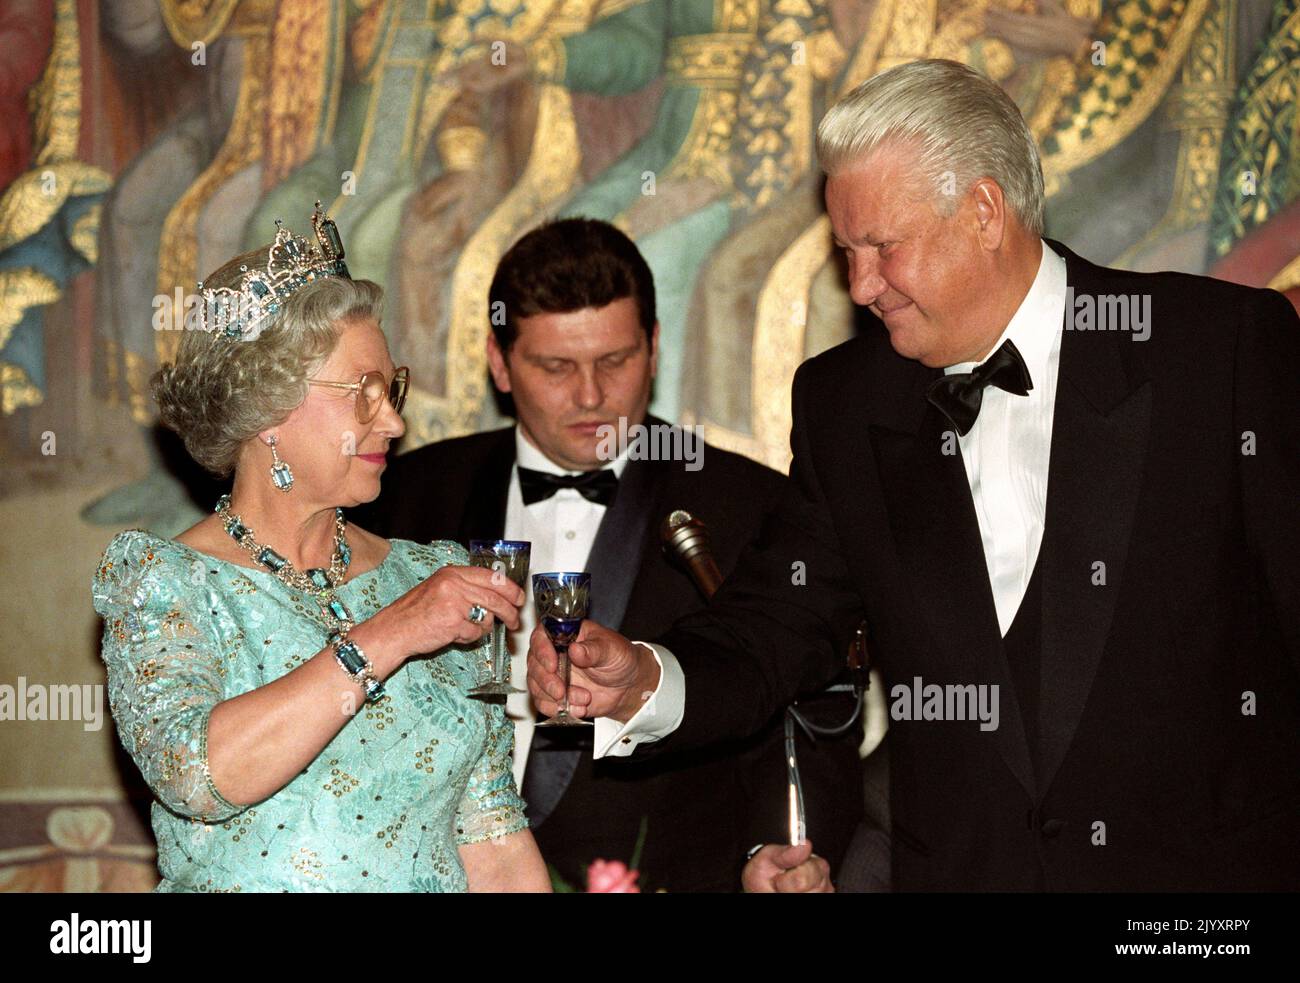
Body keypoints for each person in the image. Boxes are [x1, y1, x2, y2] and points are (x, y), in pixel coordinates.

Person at [527, 59, 1300, 891]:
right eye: (845, 253)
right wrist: (644, 678)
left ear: (983, 212)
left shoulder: (1215, 350)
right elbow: (776, 625)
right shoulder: (844, 403)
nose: (861, 286)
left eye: (882, 248)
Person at [355, 218, 861, 892]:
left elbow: (809, 716)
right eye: (556, 367)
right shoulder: (405, 495)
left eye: (614, 361)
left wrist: (773, 851)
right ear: (499, 362)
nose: (590, 395)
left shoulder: (752, 505)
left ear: (654, 349)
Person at [92, 206, 548, 892]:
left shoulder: (432, 576)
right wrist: (391, 633)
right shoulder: (163, 581)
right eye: (362, 393)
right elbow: (197, 775)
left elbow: (494, 841)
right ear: (265, 408)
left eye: (390, 391)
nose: (393, 422)